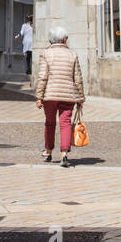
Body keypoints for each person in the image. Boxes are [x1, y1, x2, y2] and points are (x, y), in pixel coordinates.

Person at [35, 26, 85, 168]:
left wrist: (39, 96)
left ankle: (48, 150)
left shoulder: (46, 54)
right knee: (65, 123)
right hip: (68, 95)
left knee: (50, 123)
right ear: (64, 39)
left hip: (50, 95)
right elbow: (78, 78)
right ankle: (64, 153)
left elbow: (42, 77)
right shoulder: (72, 54)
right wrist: (80, 98)